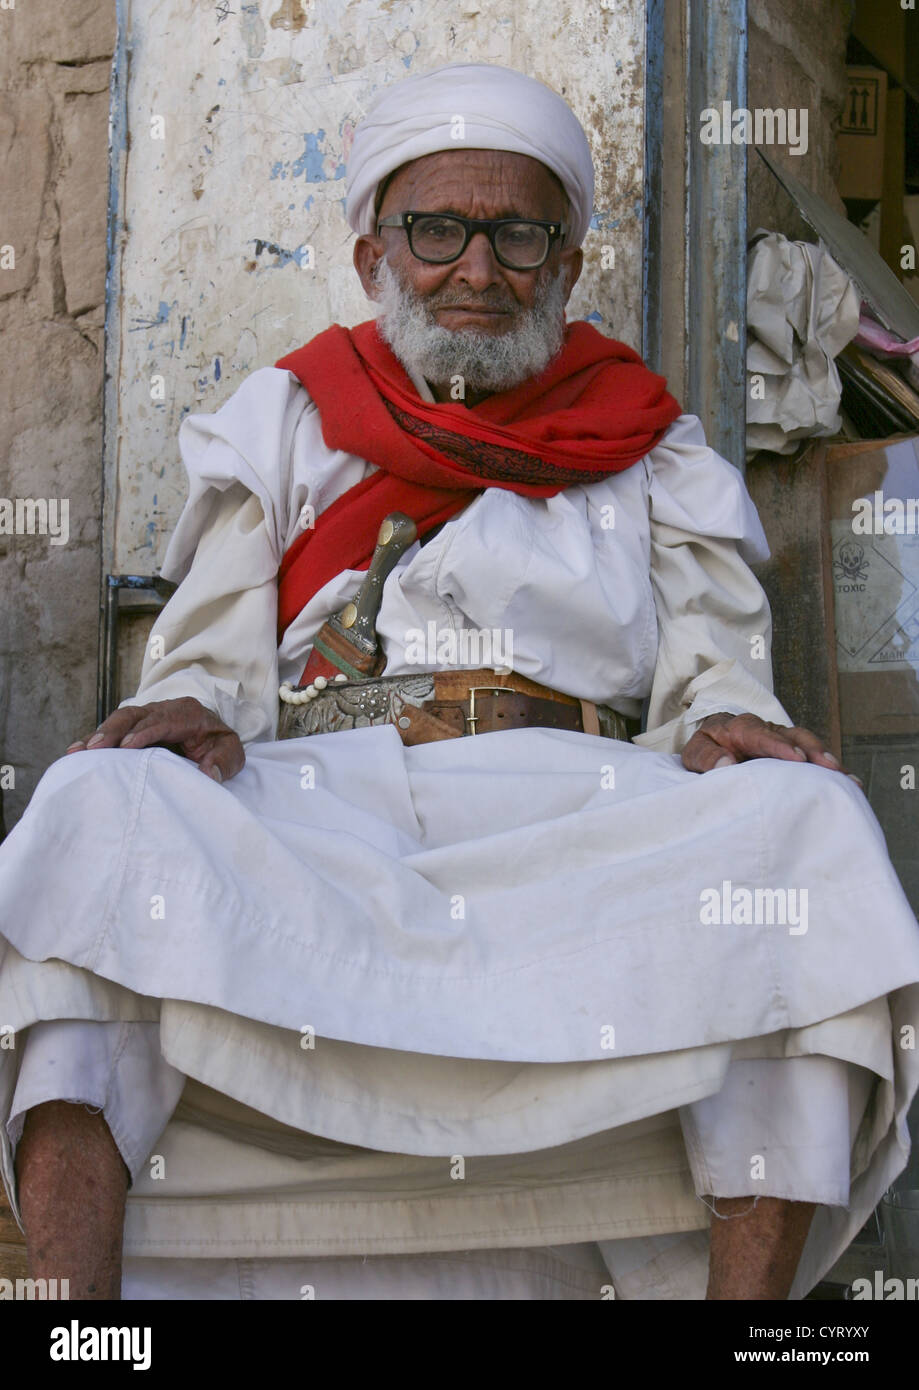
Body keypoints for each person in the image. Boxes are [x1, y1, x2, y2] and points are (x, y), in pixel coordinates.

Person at [1, 62, 918, 1303]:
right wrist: (200, 706)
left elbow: (715, 665)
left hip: (582, 807)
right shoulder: (286, 413)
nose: (476, 270)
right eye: (437, 230)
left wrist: (729, 717)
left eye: (518, 234)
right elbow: (213, 646)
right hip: (323, 794)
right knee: (93, 811)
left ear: (568, 261)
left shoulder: (648, 440)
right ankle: (77, 1327)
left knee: (808, 828)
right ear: (375, 251)